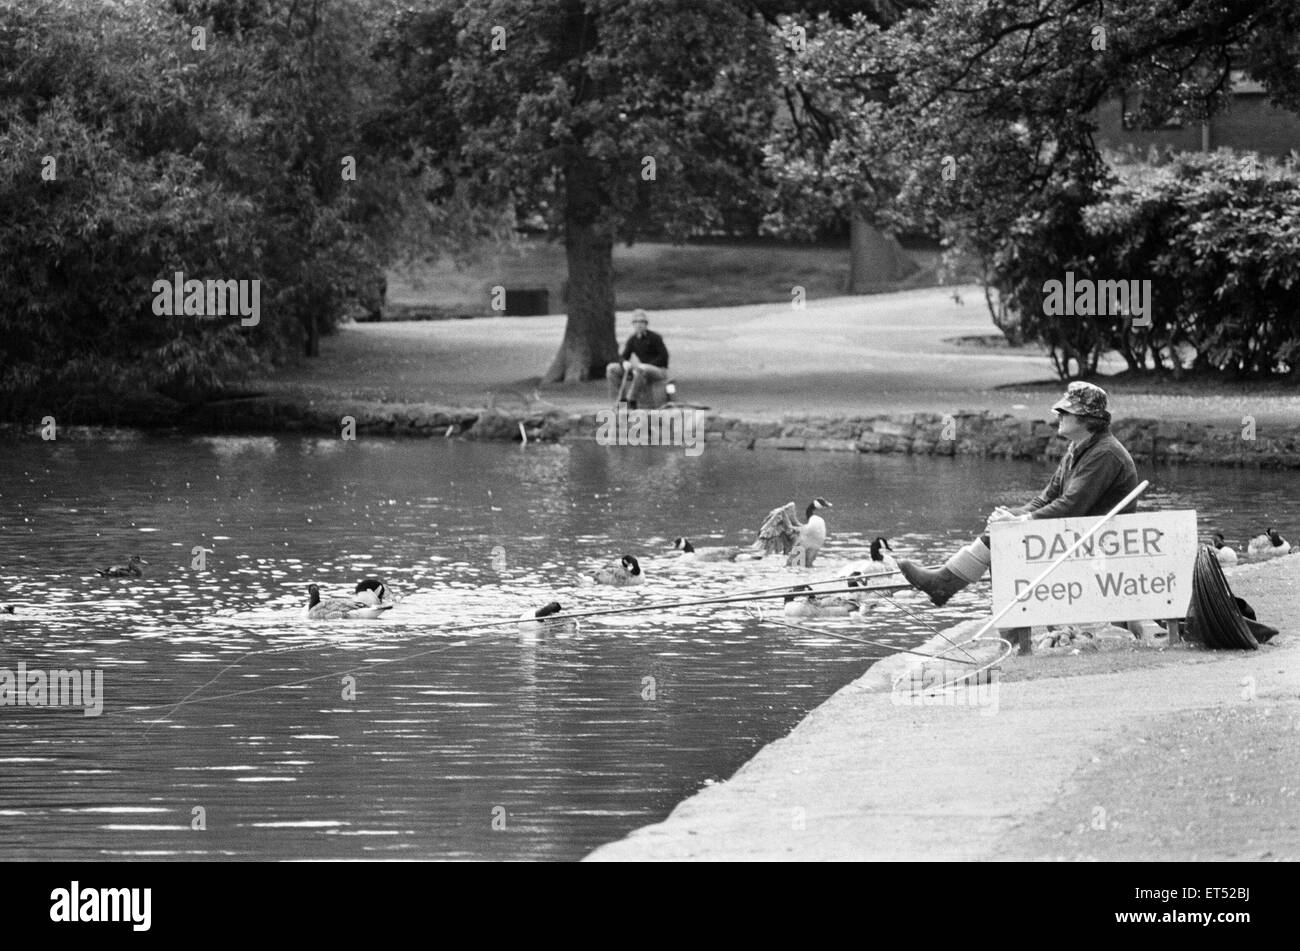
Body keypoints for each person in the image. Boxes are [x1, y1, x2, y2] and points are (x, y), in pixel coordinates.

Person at [898, 381, 1140, 606]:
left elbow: (1071, 506)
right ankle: (953, 586)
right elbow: (1046, 499)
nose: (1059, 416)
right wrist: (1011, 517)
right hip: (1077, 535)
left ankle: (950, 585)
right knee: (1003, 527)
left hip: (1098, 545)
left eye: (1067, 412)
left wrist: (1019, 522)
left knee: (1008, 532)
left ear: (1089, 418)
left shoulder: (1105, 453)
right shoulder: (1079, 447)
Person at [606, 310, 668, 409]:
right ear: (633, 325)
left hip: (658, 370)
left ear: (646, 324)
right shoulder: (633, 339)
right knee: (612, 368)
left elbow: (664, 357)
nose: (638, 325)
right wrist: (624, 362)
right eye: (636, 322)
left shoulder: (655, 338)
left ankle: (631, 400)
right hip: (641, 370)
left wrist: (646, 366)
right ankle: (621, 402)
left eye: (641, 322)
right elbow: (623, 357)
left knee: (642, 368)